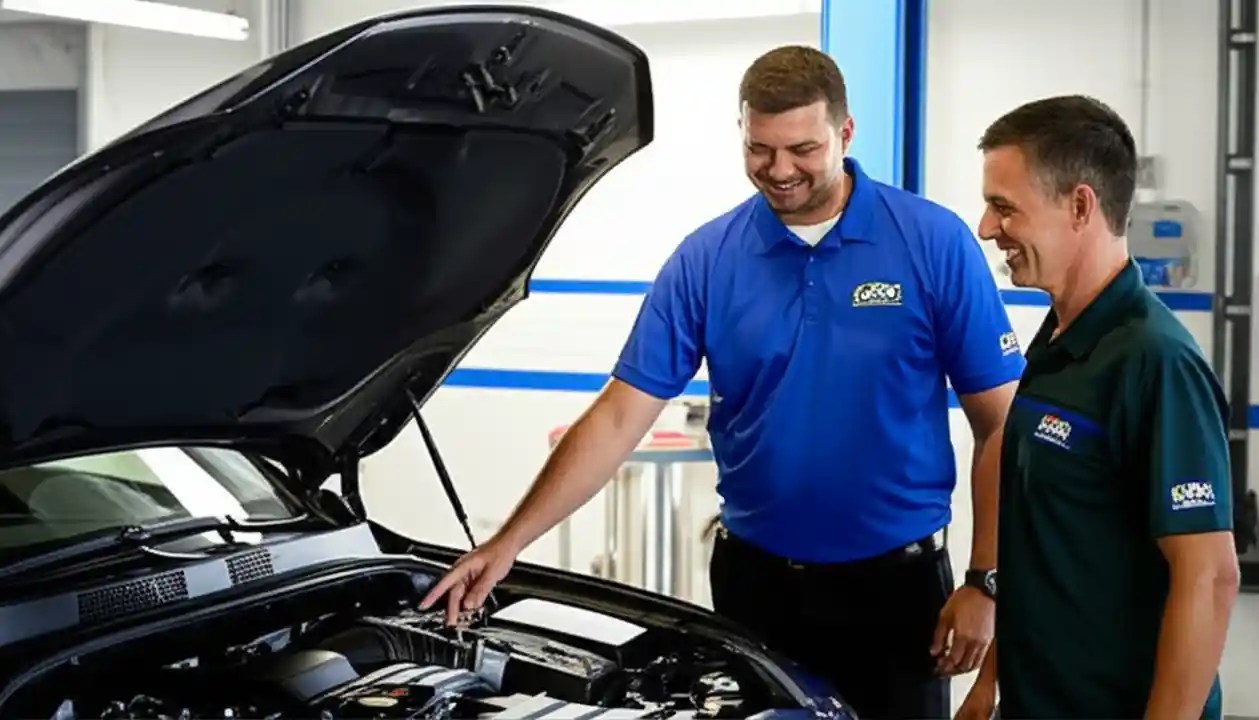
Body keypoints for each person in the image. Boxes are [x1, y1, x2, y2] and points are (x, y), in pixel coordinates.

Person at [421, 45, 1023, 719]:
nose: (780, 170)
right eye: (759, 149)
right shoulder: (707, 258)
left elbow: (1002, 424)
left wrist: (986, 581)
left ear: (846, 134)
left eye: (802, 148)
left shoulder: (932, 242)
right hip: (756, 591)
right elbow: (620, 416)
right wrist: (509, 543)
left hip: (897, 591)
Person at [957, 95, 1240, 720]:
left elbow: (1210, 578)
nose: (985, 227)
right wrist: (993, 683)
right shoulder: (1057, 341)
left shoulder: (1155, 361)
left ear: (1079, 205)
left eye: (1005, 208)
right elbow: (1046, 548)